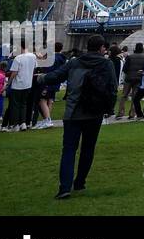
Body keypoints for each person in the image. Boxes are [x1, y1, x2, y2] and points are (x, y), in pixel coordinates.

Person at [43, 34, 118, 199]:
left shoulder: (75, 62)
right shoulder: (107, 64)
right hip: (95, 112)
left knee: (69, 150)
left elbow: (55, 76)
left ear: (87, 47)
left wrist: (40, 78)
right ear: (101, 48)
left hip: (73, 112)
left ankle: (64, 188)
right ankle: (80, 182)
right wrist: (109, 108)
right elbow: (112, 88)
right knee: (88, 149)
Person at [6, 38, 38, 131]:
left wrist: (8, 83)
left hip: (18, 84)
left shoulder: (18, 58)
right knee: (23, 104)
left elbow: (14, 73)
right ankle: (23, 123)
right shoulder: (33, 56)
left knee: (15, 105)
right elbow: (34, 68)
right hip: (28, 84)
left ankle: (16, 125)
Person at [35, 42, 66, 129]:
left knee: (42, 100)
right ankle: (47, 119)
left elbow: (45, 67)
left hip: (48, 80)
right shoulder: (61, 58)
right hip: (56, 81)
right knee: (50, 100)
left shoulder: (52, 57)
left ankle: (47, 120)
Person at [117, 42, 144, 120]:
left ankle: (120, 112)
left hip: (129, 78)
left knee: (124, 95)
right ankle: (132, 113)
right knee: (135, 96)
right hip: (138, 78)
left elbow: (125, 69)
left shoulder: (130, 57)